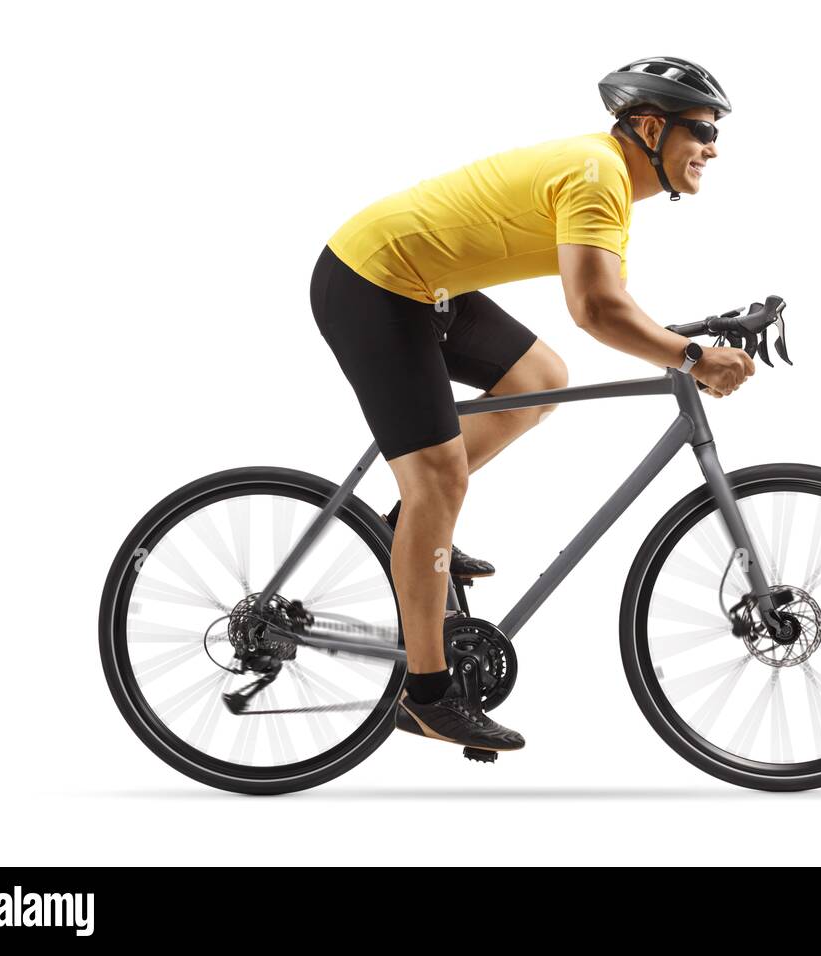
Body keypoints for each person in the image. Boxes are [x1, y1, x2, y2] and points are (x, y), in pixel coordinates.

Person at [308, 56, 755, 755]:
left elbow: (610, 302)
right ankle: (425, 695)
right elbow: (597, 308)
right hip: (373, 281)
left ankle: (411, 526)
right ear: (647, 126)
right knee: (440, 477)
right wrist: (691, 359)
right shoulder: (597, 173)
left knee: (538, 376)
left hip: (422, 285)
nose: (713, 146)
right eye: (700, 128)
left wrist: (686, 341)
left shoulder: (602, 177)